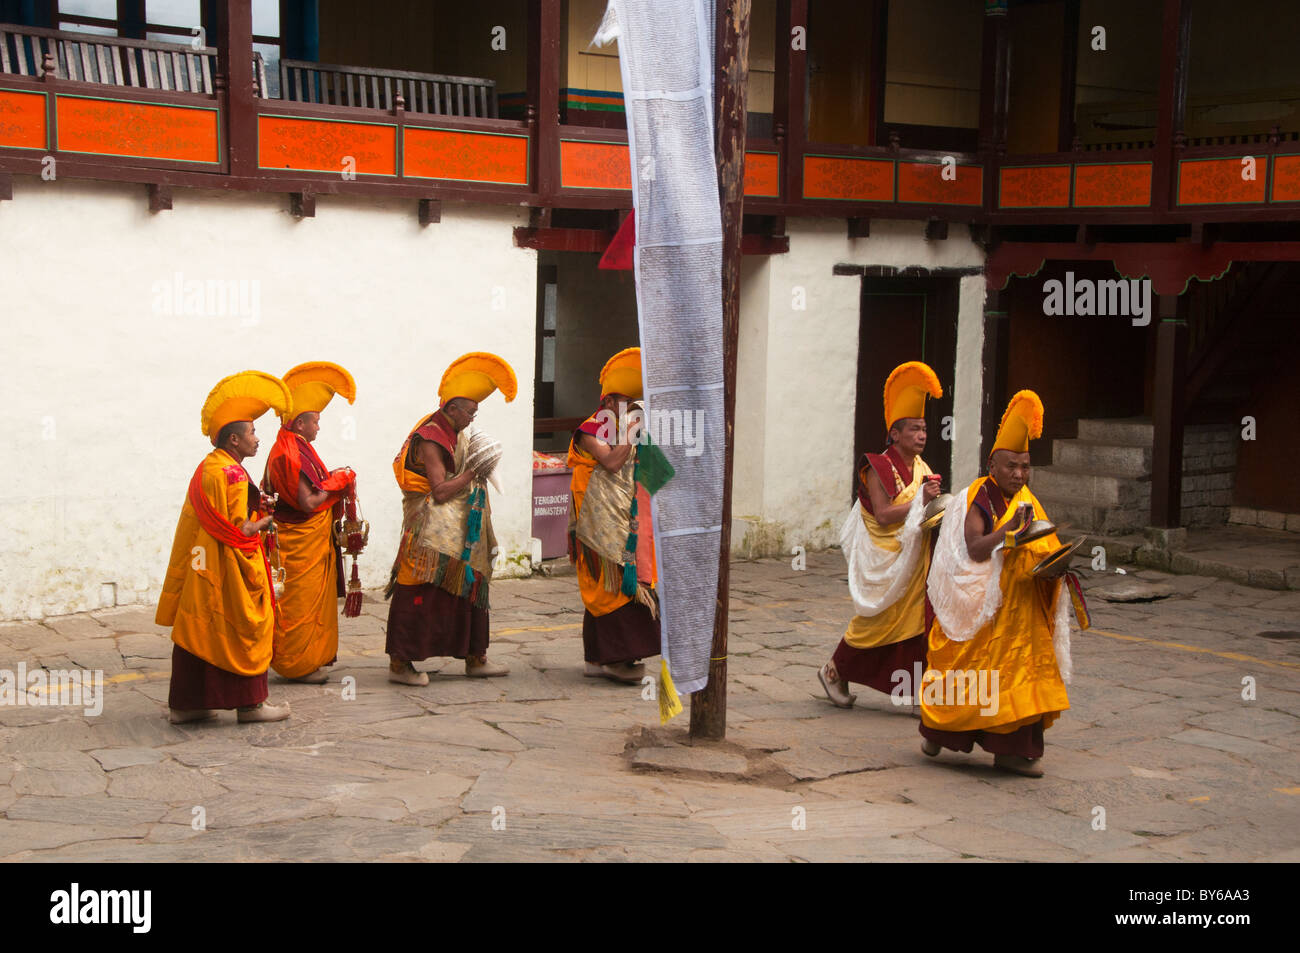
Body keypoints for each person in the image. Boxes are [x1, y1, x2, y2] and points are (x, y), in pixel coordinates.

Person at [919, 390, 1076, 777]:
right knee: (969, 675)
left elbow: (1044, 544)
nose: (1019, 474)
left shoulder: (1027, 500)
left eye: (1025, 467)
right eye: (1011, 466)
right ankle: (940, 730)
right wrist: (1008, 534)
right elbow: (973, 549)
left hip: (1021, 613)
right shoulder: (979, 496)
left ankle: (1012, 752)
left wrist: (1055, 568)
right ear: (993, 464)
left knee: (1022, 675)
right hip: (983, 611)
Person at [156, 370, 294, 725]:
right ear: (233, 440)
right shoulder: (232, 474)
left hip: (203, 567)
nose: (257, 440)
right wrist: (266, 521)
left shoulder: (209, 466)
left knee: (199, 629)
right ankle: (251, 706)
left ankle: (187, 706)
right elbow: (240, 528)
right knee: (244, 627)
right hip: (230, 567)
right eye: (251, 433)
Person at [385, 352, 516, 685]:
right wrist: (475, 470)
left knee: (471, 581)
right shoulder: (431, 437)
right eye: (469, 412)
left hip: (461, 528)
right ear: (452, 408)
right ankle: (400, 664)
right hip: (428, 528)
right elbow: (440, 491)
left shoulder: (456, 431)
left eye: (476, 412)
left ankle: (476, 657)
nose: (473, 418)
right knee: (419, 589)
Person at [819, 361, 943, 708]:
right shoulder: (878, 466)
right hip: (887, 557)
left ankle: (915, 690)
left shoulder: (921, 467)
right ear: (895, 433)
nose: (922, 435)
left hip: (915, 559)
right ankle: (833, 670)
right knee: (876, 620)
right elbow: (886, 516)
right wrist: (922, 500)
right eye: (914, 429)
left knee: (916, 621)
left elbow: (924, 512)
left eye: (924, 429)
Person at [568, 347, 660, 684]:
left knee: (624, 582)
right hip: (597, 519)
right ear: (607, 403)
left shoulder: (629, 430)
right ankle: (614, 658)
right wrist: (632, 430)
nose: (630, 409)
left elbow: (655, 472)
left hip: (628, 519)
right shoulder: (590, 429)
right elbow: (611, 462)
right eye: (625, 403)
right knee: (607, 584)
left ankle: (598, 658)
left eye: (633, 404)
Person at [263, 362, 358, 684]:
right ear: (301, 423)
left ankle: (308, 660)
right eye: (315, 421)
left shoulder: (295, 447)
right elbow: (308, 502)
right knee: (298, 604)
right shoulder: (291, 454)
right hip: (298, 541)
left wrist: (331, 481)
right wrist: (339, 484)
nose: (319, 428)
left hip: (305, 540)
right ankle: (298, 664)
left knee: (305, 603)